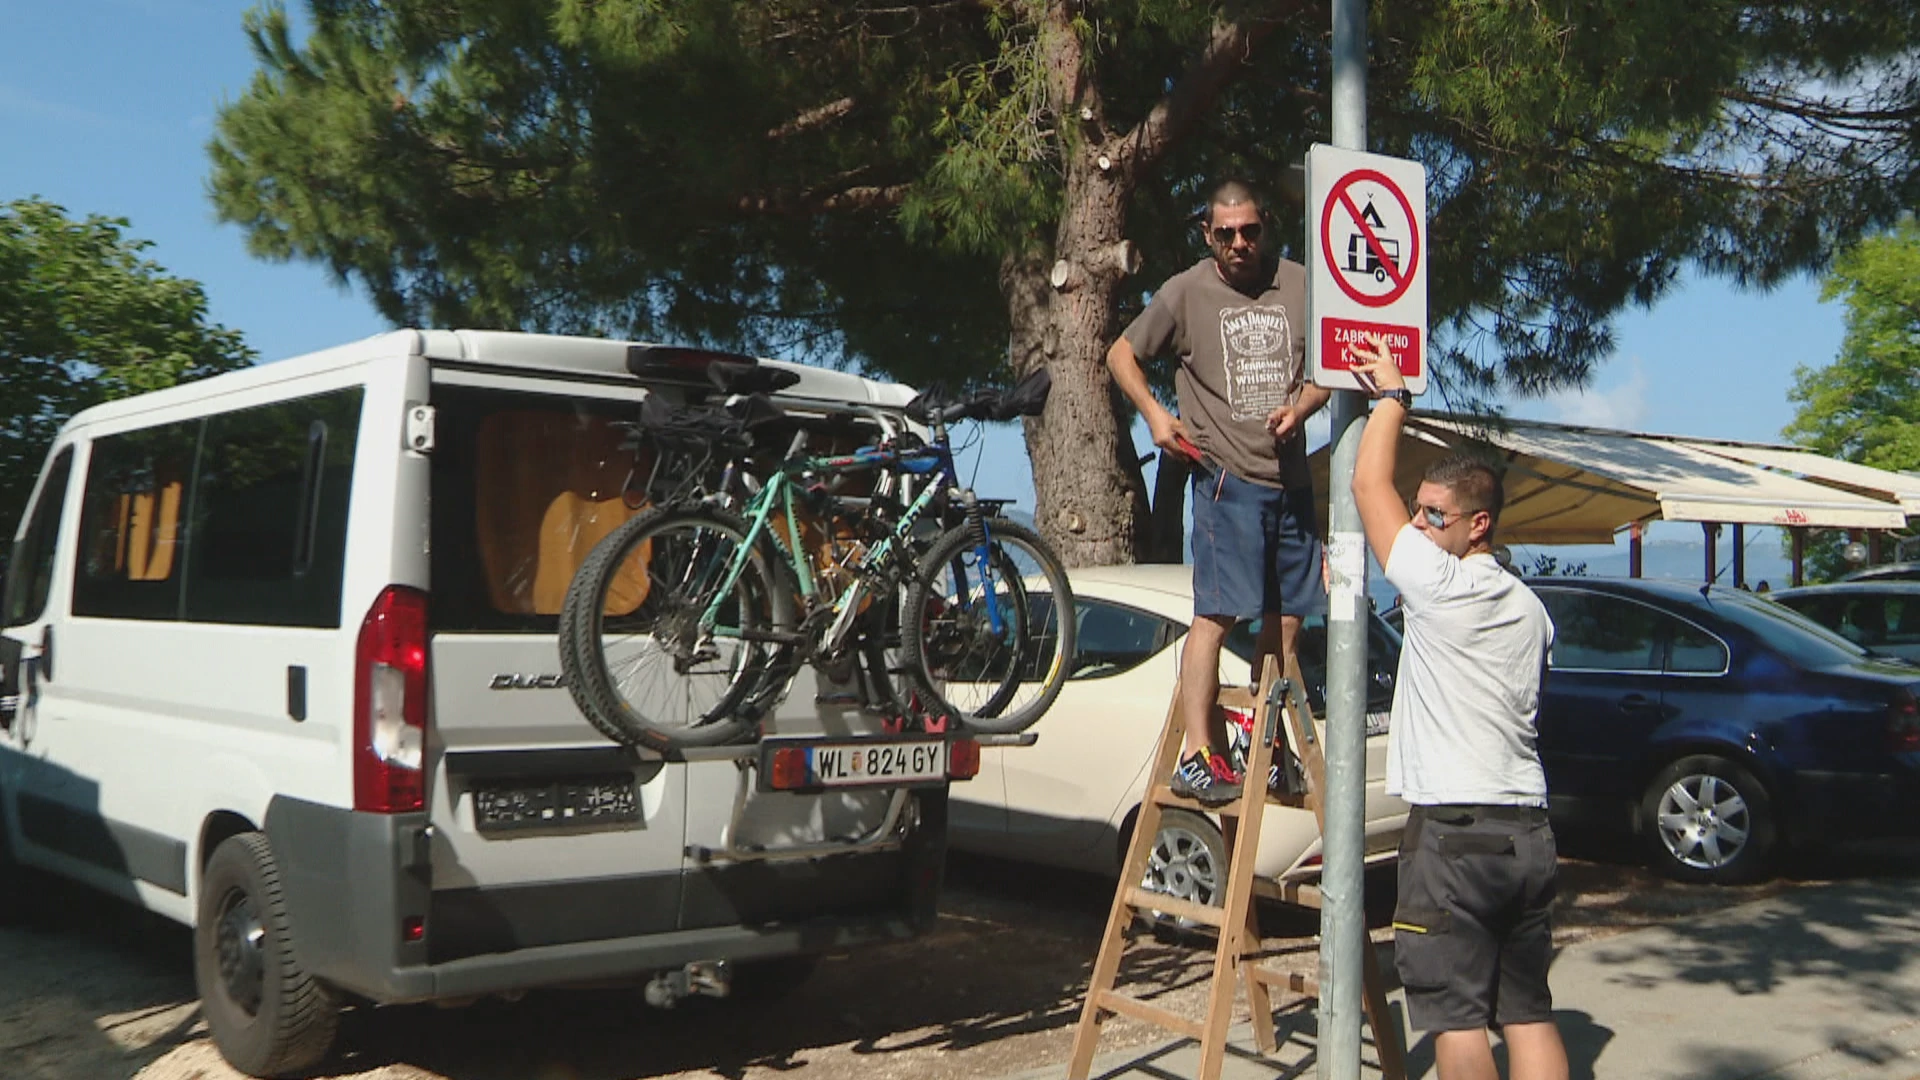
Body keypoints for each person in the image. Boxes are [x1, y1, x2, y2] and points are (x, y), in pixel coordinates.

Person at [1346, 333, 1569, 1080]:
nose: (1416, 525)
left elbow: (1367, 485)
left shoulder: (1441, 588)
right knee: (1528, 1011)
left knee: (1456, 1021)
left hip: (1455, 833)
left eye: (1433, 515)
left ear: (1480, 524)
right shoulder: (1533, 609)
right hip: (1527, 831)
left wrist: (1392, 399)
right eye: (1417, 511)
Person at [1106, 179, 1330, 805]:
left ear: (1266, 227)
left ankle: (1266, 745)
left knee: (1289, 618)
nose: (1239, 243)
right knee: (1217, 614)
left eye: (1249, 231)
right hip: (1227, 481)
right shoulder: (1185, 291)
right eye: (1226, 233)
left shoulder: (1300, 284)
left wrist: (1302, 407)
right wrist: (1156, 417)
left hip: (1290, 482)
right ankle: (1199, 755)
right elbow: (1120, 355)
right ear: (1207, 235)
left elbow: (1333, 367)